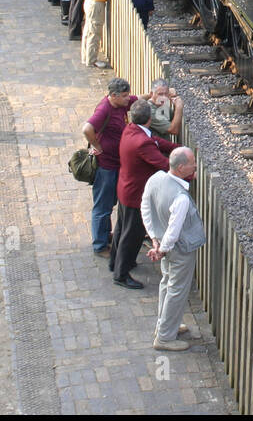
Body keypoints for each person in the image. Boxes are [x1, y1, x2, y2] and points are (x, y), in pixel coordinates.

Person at [143, 147, 205, 351]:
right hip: (179, 251)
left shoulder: (156, 179)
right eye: (192, 163)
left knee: (166, 283)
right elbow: (174, 230)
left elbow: (146, 207)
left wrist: (154, 238)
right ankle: (165, 338)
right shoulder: (181, 198)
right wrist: (162, 248)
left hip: (163, 245)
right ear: (181, 168)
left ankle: (165, 325)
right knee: (177, 290)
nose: (195, 165)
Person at [111, 99, 175, 290]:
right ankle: (121, 274)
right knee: (132, 235)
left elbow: (155, 142)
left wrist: (175, 148)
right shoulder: (142, 142)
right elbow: (163, 164)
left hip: (125, 188)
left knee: (122, 229)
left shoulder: (131, 130)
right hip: (135, 194)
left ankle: (115, 262)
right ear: (149, 119)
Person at [82, 78, 139, 258]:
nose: (127, 99)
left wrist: (155, 95)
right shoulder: (104, 109)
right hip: (106, 167)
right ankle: (100, 245)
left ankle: (105, 235)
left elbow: (138, 99)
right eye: (124, 96)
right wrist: (96, 145)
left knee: (109, 203)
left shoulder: (121, 103)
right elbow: (87, 128)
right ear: (112, 96)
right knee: (103, 207)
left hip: (116, 164)